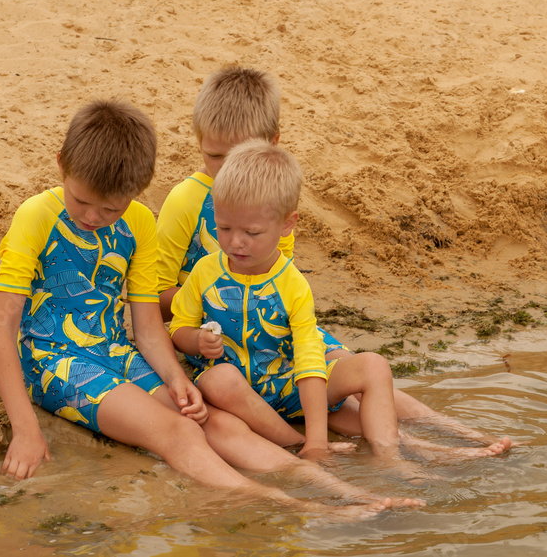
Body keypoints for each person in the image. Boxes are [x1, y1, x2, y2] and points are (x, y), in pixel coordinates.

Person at [0, 99, 408, 514]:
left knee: (216, 421)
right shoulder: (36, 216)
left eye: (110, 208)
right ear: (62, 165)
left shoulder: (138, 222)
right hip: (52, 360)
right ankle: (296, 506)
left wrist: (175, 378)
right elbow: (0, 327)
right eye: (80, 201)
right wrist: (25, 429)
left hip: (115, 352)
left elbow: (146, 327)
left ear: (137, 191)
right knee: (179, 431)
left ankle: (341, 490)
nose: (93, 217)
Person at [155, 67, 512, 455]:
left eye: (243, 155)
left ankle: (454, 433)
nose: (229, 168)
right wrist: (211, 300)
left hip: (275, 325)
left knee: (345, 366)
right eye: (214, 155)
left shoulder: (272, 198)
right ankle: (418, 448)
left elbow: (280, 276)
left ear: (273, 145)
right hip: (222, 336)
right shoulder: (186, 201)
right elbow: (153, 296)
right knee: (329, 397)